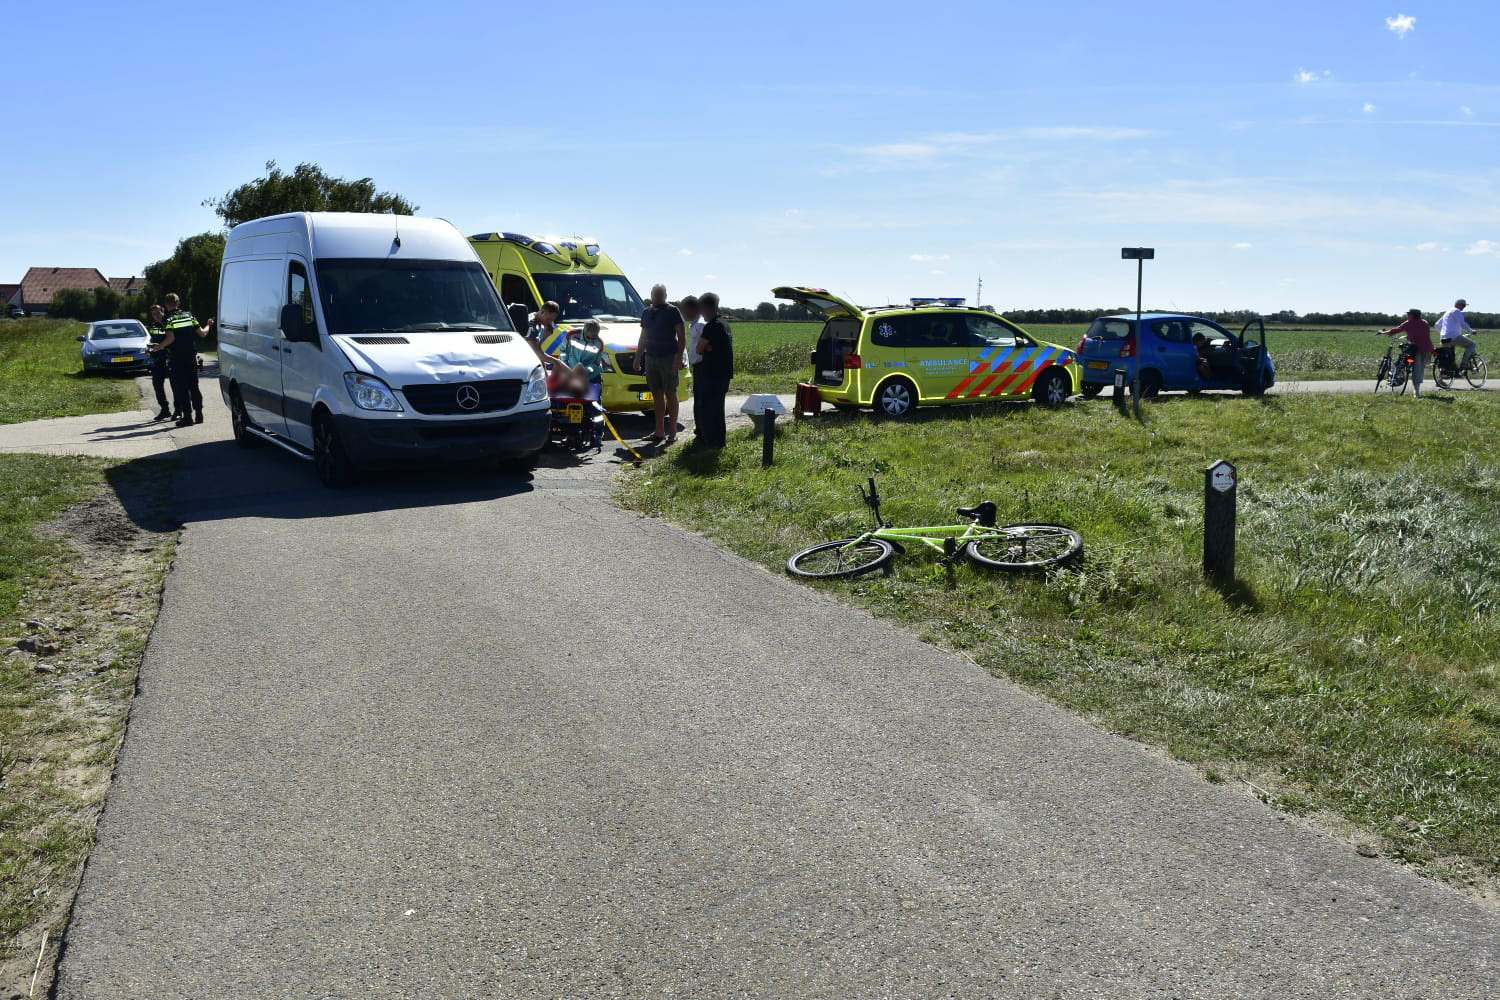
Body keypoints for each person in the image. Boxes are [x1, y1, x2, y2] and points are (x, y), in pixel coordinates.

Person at [636, 284, 685, 443]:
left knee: (670, 393)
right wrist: (638, 357)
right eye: (654, 294)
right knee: (656, 394)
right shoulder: (646, 312)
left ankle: (672, 432)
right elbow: (643, 336)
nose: (657, 297)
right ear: (651, 295)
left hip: (668, 357)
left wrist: (678, 357)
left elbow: (681, 336)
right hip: (650, 358)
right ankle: (659, 431)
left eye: (660, 294)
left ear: (665, 295)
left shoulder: (672, 311)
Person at [158, 293, 214, 425]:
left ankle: (187, 417)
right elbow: (203, 333)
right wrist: (209, 324)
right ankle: (199, 414)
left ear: (166, 305)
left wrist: (159, 347)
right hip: (191, 356)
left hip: (177, 357)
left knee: (182, 388)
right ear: (178, 303)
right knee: (194, 386)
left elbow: (170, 338)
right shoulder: (189, 315)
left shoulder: (168, 318)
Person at [690, 292, 733, 449]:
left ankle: (710, 443)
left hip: (712, 374)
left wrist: (707, 347)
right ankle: (719, 441)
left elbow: (699, 349)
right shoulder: (724, 323)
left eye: (701, 309)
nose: (701, 313)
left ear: (706, 307)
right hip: (724, 374)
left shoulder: (712, 326)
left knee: (708, 409)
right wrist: (709, 346)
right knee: (718, 409)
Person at [1380, 308, 1434, 398]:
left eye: (1409, 314)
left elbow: (1396, 330)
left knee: (1416, 369)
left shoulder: (1408, 323)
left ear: (1412, 315)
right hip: (1428, 348)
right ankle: (1417, 388)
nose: (1407, 315)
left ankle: (1416, 392)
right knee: (1420, 369)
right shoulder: (1425, 322)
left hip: (1416, 349)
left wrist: (1383, 332)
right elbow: (1423, 333)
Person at [554, 320, 606, 399]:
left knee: (596, 395)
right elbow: (563, 351)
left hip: (591, 374)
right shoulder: (572, 335)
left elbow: (596, 364)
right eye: (588, 337)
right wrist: (566, 365)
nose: (591, 340)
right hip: (570, 369)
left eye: (594, 337)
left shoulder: (599, 343)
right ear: (584, 331)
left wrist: (583, 371)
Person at [144, 303, 173, 420]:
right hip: (157, 360)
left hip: (170, 359)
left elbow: (172, 340)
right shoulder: (153, 326)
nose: (156, 316)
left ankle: (179, 409)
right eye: (153, 314)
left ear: (163, 312)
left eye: (158, 313)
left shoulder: (169, 324)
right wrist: (149, 350)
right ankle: (165, 409)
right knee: (157, 385)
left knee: (176, 386)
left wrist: (162, 347)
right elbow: (152, 340)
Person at [1434, 298, 1477, 373]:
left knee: (1447, 357)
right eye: (1462, 305)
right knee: (1472, 345)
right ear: (1457, 304)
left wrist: (1444, 333)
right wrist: (1471, 330)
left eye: (1464, 306)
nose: (1463, 307)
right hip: (1454, 336)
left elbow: (1437, 325)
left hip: (1444, 338)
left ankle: (1441, 378)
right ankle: (1464, 364)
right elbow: (1462, 323)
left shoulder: (1447, 312)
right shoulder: (1456, 311)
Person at [525, 301, 562, 366]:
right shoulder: (532, 325)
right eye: (549, 319)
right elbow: (536, 353)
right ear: (542, 312)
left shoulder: (536, 319)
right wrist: (556, 362)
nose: (550, 322)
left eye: (552, 320)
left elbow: (538, 349)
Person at [679, 294, 703, 367]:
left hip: (704, 366)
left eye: (683, 310)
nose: (681, 313)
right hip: (698, 365)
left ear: (691, 309)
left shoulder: (701, 324)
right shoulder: (695, 324)